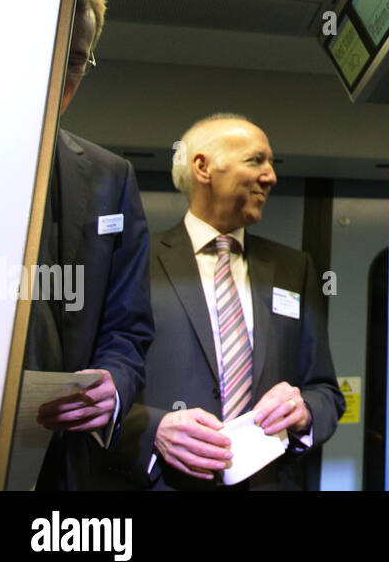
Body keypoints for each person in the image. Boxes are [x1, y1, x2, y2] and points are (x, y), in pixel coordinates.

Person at [102, 114, 344, 490]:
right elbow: (95, 390)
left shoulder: (295, 268)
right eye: (256, 160)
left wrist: (305, 411)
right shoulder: (134, 262)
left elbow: (326, 391)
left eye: (272, 164)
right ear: (203, 167)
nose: (271, 176)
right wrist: (155, 430)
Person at [27, 0, 153, 490]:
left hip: (55, 464)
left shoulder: (110, 177)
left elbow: (127, 329)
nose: (60, 76)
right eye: (49, 52)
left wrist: (114, 384)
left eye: (76, 61)